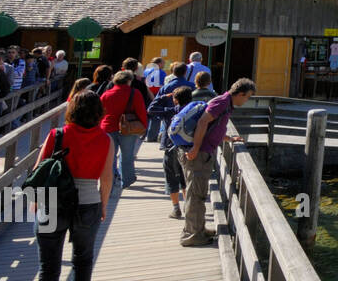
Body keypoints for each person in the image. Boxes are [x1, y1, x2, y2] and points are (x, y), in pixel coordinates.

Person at [33, 89, 115, 281]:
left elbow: (39, 170)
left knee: (48, 268)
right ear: (98, 112)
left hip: (53, 203)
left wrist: (37, 201)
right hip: (87, 203)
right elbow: (107, 178)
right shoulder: (105, 140)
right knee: (83, 260)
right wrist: (102, 205)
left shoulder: (56, 135)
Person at [180, 78, 255, 247]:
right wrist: (196, 148)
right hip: (199, 154)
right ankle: (192, 235)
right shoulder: (222, 102)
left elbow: (214, 126)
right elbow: (203, 122)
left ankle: (198, 229)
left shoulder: (225, 103)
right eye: (247, 97)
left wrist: (228, 138)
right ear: (240, 94)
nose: (247, 100)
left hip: (202, 153)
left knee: (198, 193)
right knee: (196, 194)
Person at [149, 85, 192, 219]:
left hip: (170, 147)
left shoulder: (171, 111)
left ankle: (176, 209)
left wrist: (162, 97)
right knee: (186, 178)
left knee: (171, 177)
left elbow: (151, 109)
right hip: (187, 148)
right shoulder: (194, 112)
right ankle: (188, 206)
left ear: (175, 100)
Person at [101, 70, 147, 189]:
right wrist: (144, 127)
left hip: (108, 128)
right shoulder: (135, 93)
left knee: (110, 156)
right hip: (128, 128)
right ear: (129, 80)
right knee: (127, 155)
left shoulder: (106, 94)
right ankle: (127, 181)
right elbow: (141, 111)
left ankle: (110, 181)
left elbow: (100, 112)